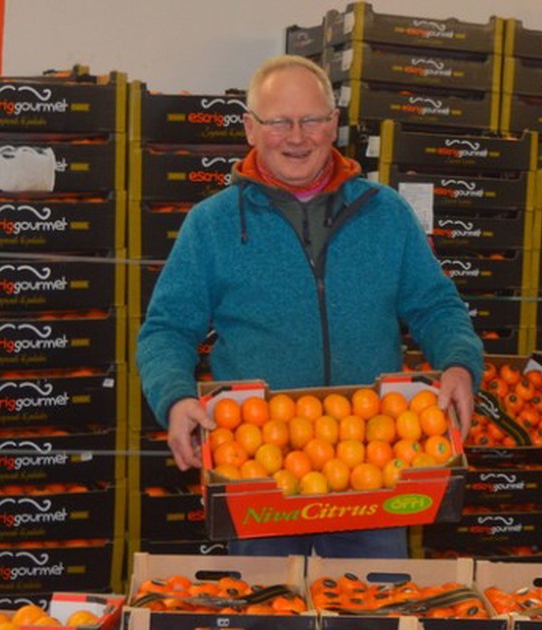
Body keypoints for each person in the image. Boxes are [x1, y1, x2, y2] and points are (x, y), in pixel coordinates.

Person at [136, 54, 485, 558]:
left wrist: (458, 362)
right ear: (251, 129)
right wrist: (174, 397)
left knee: (375, 609)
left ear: (334, 125)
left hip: (376, 463)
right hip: (256, 466)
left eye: (312, 119)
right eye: (279, 121)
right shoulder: (211, 224)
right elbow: (166, 329)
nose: (297, 136)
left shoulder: (384, 212)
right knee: (270, 612)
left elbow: (436, 304)